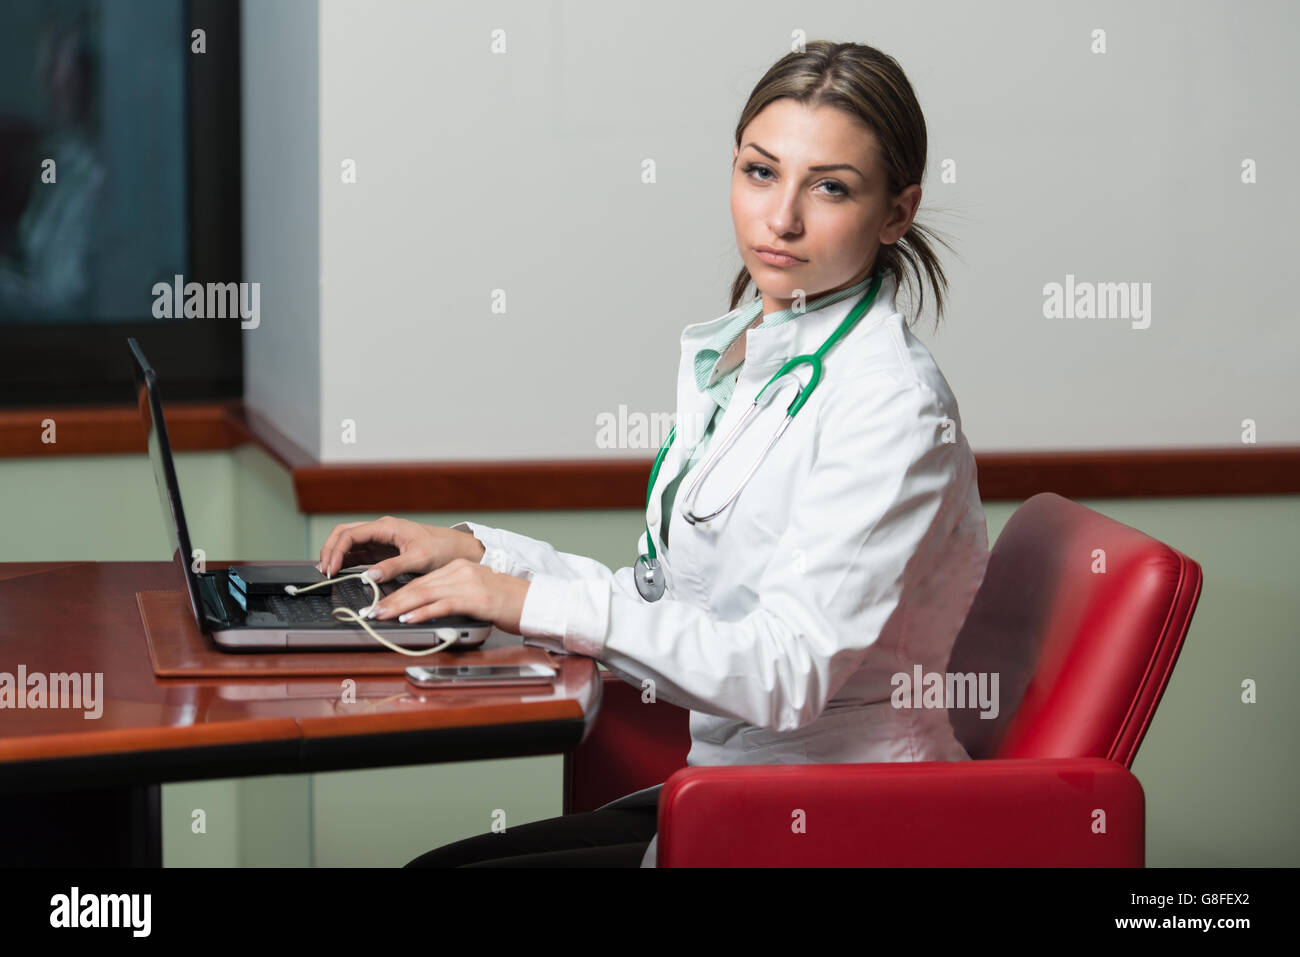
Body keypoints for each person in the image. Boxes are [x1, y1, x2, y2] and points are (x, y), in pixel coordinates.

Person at [317, 40, 990, 868]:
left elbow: (783, 672)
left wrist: (518, 600)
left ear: (896, 212)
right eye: (759, 171)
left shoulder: (890, 404)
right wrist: (483, 553)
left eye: (830, 187)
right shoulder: (755, 356)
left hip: (842, 816)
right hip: (731, 784)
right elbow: (667, 603)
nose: (781, 218)